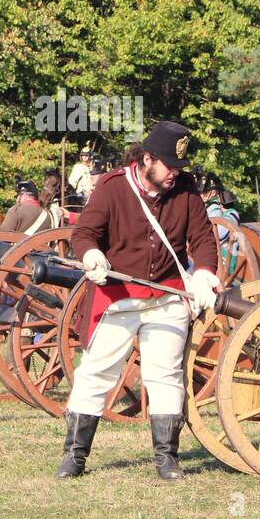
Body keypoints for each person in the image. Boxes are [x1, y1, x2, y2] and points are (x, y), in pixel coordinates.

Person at [56, 121, 222, 481]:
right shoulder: (113, 187)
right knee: (96, 373)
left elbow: (202, 238)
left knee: (165, 375)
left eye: (179, 167)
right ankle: (74, 456)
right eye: (169, 166)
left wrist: (205, 272)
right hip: (118, 295)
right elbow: (84, 233)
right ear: (148, 160)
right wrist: (92, 255)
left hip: (167, 294)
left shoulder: (186, 190)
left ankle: (166, 458)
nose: (175, 174)